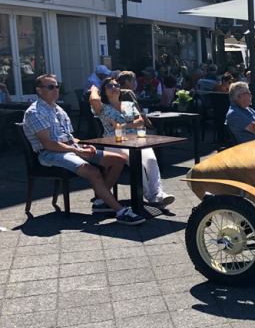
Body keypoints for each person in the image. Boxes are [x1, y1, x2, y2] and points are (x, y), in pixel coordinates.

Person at [24, 75, 144, 224]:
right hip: (50, 154)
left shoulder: (58, 109)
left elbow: (70, 137)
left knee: (118, 160)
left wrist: (83, 145)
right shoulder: (34, 112)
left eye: (56, 86)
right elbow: (48, 143)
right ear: (39, 90)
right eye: (50, 87)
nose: (55, 90)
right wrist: (78, 151)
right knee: (92, 171)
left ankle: (101, 201)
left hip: (70, 148)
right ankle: (121, 212)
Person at [89, 79, 174, 207]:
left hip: (136, 140)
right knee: (138, 163)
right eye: (109, 86)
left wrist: (121, 125)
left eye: (117, 85)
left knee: (151, 159)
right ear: (104, 91)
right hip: (114, 143)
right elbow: (94, 100)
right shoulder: (102, 108)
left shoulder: (129, 104)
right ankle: (151, 196)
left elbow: (140, 122)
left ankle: (158, 193)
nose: (114, 87)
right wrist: (94, 90)